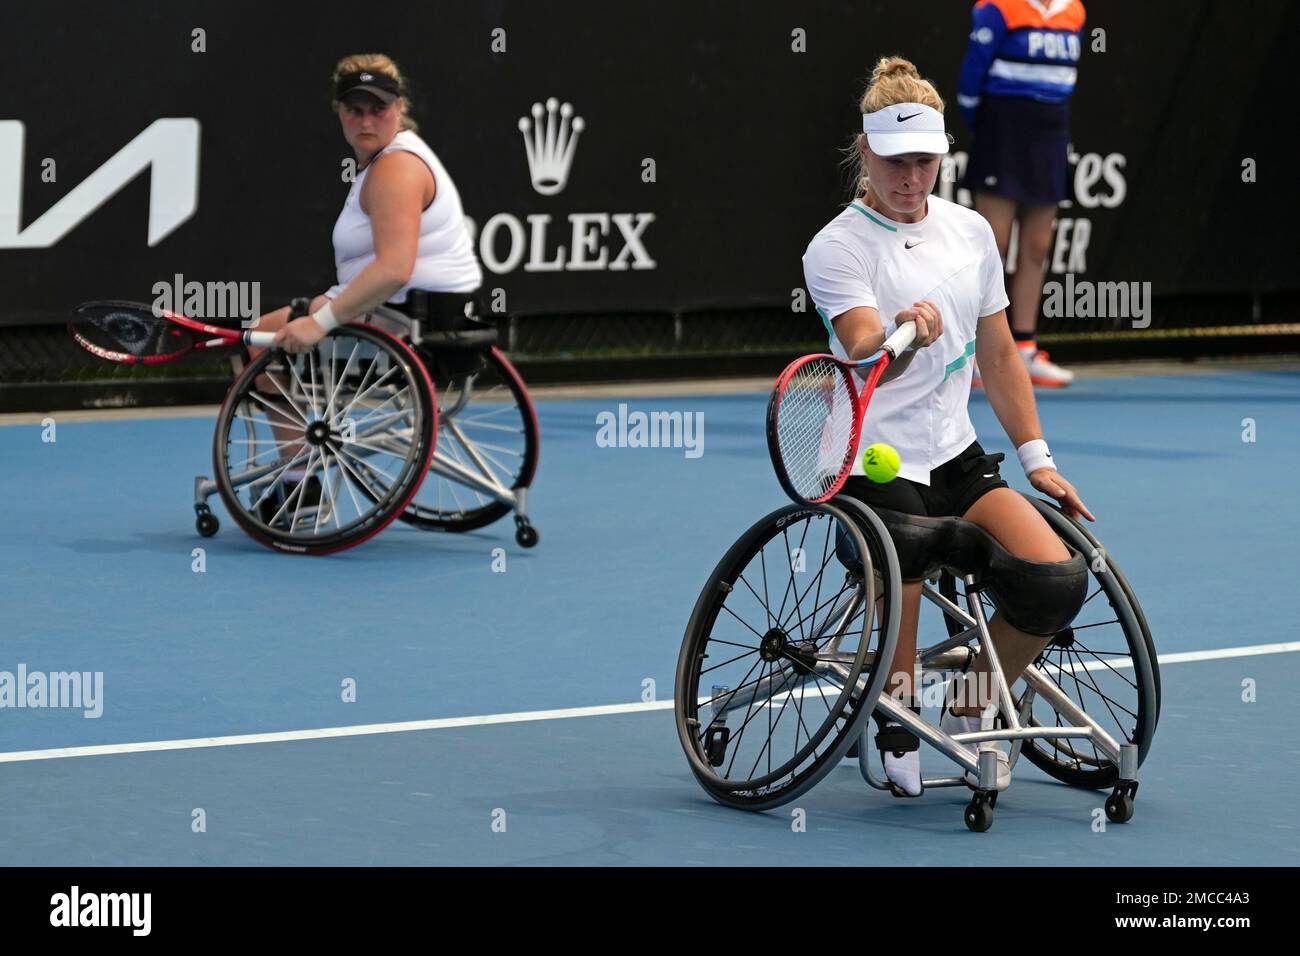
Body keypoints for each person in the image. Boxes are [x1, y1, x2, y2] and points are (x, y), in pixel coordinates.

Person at [802, 55, 1094, 796]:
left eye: (925, 161)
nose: (910, 177)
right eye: (895, 161)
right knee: (902, 553)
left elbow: (999, 355)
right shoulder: (836, 247)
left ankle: (970, 693)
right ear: (864, 153)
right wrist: (902, 337)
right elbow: (866, 351)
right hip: (873, 463)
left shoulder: (970, 233)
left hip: (957, 458)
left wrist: (1038, 458)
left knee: (1058, 579)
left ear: (942, 157)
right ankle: (896, 714)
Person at [249, 53, 483, 521]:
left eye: (378, 107)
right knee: (282, 327)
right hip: (427, 320)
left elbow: (395, 269)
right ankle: (303, 472)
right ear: (339, 111)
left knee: (260, 348)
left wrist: (321, 322)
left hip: (400, 328)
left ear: (399, 105)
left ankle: (300, 490)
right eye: (354, 108)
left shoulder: (394, 170)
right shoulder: (396, 158)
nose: (366, 119)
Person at [957, 0, 1087, 388]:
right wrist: (979, 119)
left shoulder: (1074, 11)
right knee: (991, 242)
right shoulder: (998, 7)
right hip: (1003, 126)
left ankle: (1025, 348)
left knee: (1037, 247)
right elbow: (972, 72)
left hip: (1051, 130)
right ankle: (977, 353)